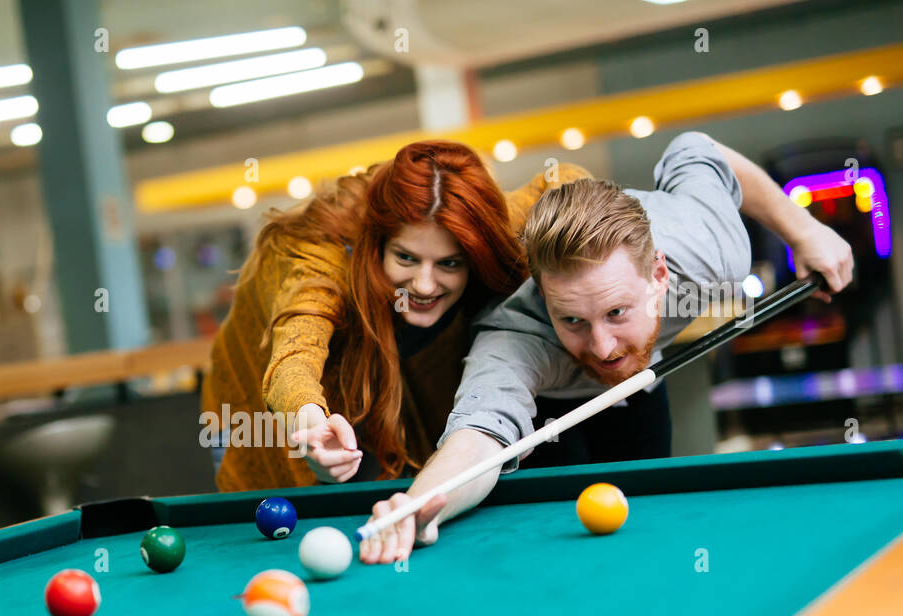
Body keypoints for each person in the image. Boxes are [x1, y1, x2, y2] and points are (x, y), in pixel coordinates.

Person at [360, 131, 854, 564]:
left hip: (640, 387)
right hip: (547, 414)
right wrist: (421, 502)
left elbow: (698, 149)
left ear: (658, 276)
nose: (600, 346)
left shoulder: (710, 249)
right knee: (552, 538)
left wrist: (803, 229)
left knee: (644, 524)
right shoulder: (516, 334)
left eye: (617, 312)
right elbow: (479, 436)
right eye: (572, 319)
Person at [200, 141, 590, 492]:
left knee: (422, 492)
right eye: (406, 257)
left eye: (449, 263)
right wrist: (310, 425)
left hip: (395, 384)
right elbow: (293, 361)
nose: (423, 285)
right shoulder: (318, 255)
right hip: (257, 415)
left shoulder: (491, 223)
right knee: (285, 516)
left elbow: (569, 182)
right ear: (378, 243)